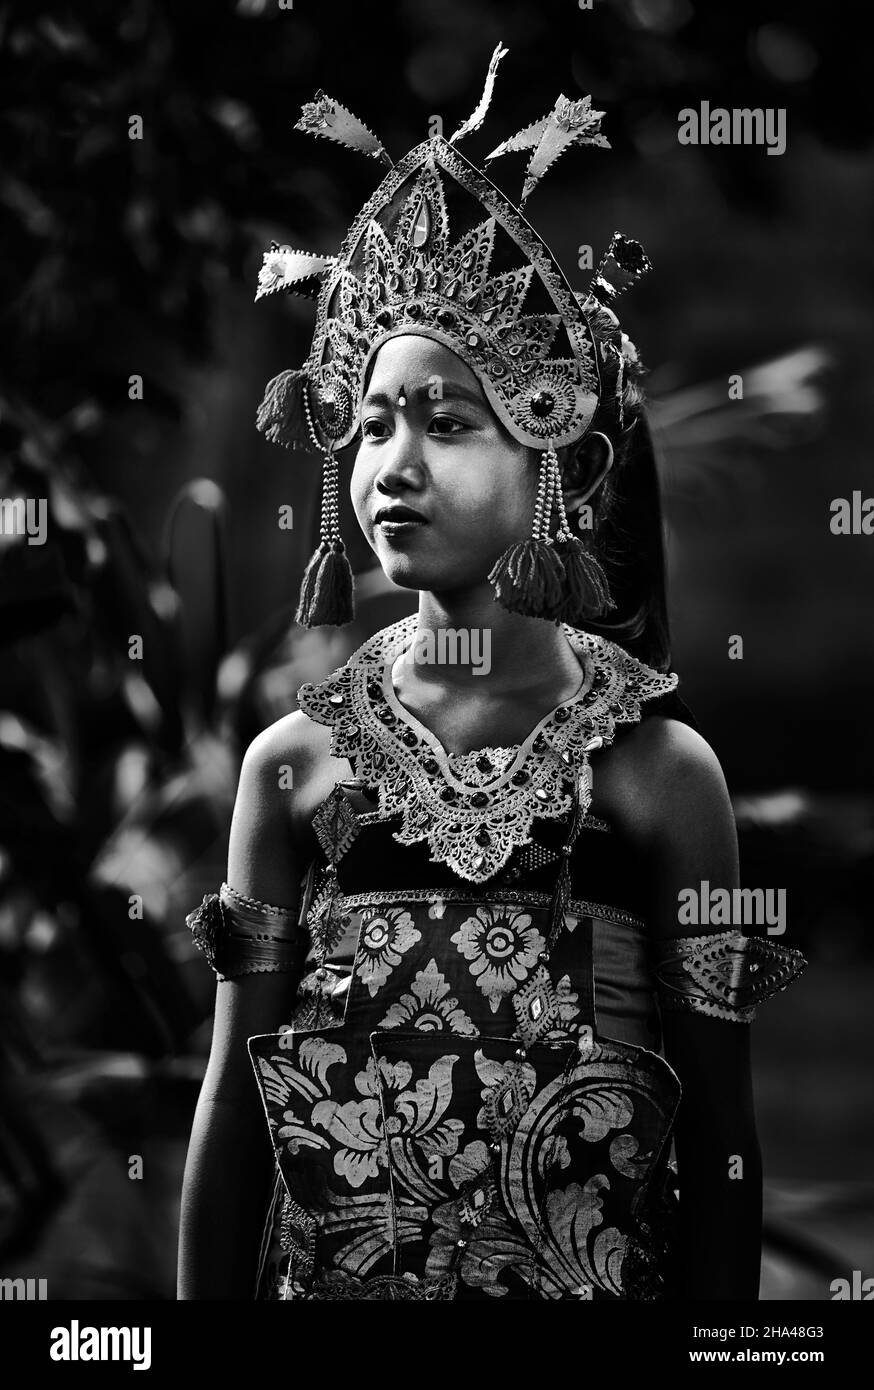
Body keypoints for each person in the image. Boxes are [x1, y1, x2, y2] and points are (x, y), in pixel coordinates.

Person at [177, 48, 806, 1301]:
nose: (392, 465)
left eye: (447, 422)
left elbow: (722, 1148)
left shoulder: (658, 776)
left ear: (551, 452)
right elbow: (234, 1120)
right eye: (370, 424)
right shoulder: (295, 770)